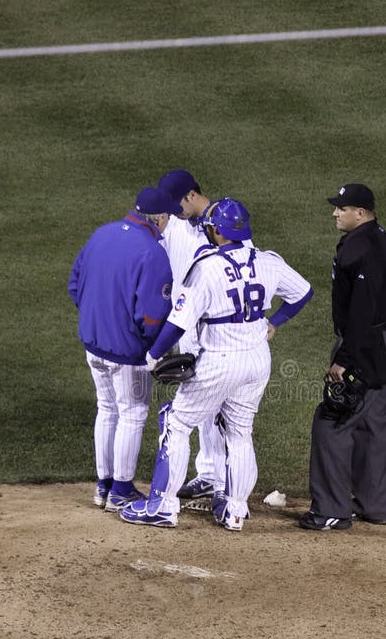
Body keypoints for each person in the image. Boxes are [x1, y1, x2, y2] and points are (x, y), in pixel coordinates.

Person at [120, 198, 314, 531]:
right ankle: (235, 511)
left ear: (218, 232)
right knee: (240, 433)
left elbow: (178, 323)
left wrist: (153, 356)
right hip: (257, 358)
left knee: (177, 423)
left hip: (220, 359)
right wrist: (274, 322)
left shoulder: (207, 267)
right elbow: (303, 292)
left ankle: (162, 507)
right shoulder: (268, 261)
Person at [68, 187, 177, 512]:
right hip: (129, 353)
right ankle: (121, 490)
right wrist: (158, 348)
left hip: (93, 344)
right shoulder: (152, 252)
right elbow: (152, 316)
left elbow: (75, 286)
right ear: (160, 217)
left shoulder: (101, 234)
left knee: (107, 408)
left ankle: (103, 486)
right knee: (133, 413)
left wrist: (99, 319)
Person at [299, 183, 386, 531]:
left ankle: (330, 509)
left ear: (360, 213)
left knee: (332, 420)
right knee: (372, 422)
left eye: (341, 209)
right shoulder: (378, 236)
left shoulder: (362, 248)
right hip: (382, 336)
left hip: (365, 342)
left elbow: (362, 309)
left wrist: (344, 357)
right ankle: (374, 505)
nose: (335, 213)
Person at [157, 168, 228, 504]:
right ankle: (210, 474)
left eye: (178, 205)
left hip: (216, 330)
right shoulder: (175, 224)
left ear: (192, 195)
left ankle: (226, 483)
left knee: (223, 409)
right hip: (186, 326)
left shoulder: (225, 223)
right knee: (202, 406)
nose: (174, 212)